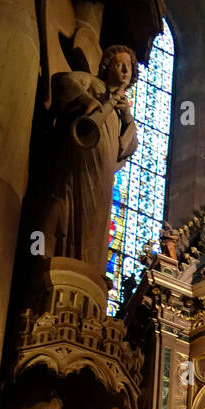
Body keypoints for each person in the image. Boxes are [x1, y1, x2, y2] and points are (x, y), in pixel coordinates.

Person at [39, 45, 138, 272]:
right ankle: (45, 255)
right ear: (107, 66)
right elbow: (63, 81)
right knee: (62, 198)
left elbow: (128, 148)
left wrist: (127, 118)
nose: (124, 70)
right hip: (78, 153)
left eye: (129, 67)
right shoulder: (93, 83)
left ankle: (88, 268)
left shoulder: (123, 109)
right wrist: (86, 100)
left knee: (96, 218)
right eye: (119, 64)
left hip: (102, 170)